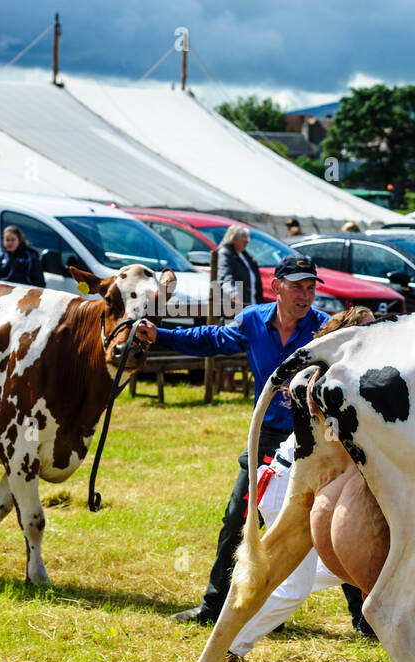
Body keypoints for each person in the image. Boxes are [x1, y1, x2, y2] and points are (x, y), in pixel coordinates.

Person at [138, 255, 370, 635]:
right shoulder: (251, 321)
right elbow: (211, 339)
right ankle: (214, 607)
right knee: (238, 519)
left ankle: (364, 618)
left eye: (311, 287)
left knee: (333, 523)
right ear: (276, 287)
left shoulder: (323, 328)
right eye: (297, 287)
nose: (305, 295)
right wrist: (159, 335)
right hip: (264, 437)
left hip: (313, 440)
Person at [226, 307, 377, 662]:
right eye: (369, 327)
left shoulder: (355, 374)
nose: (377, 332)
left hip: (299, 481)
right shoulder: (329, 376)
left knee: (335, 569)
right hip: (288, 483)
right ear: (349, 333)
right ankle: (232, 644)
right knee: (292, 589)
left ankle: (242, 606)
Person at [216, 224, 262, 315]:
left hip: (251, 306)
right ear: (233, 239)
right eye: (243, 238)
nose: (247, 241)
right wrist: (233, 293)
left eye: (247, 238)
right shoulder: (225, 254)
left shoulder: (244, 255)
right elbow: (225, 276)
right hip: (236, 309)